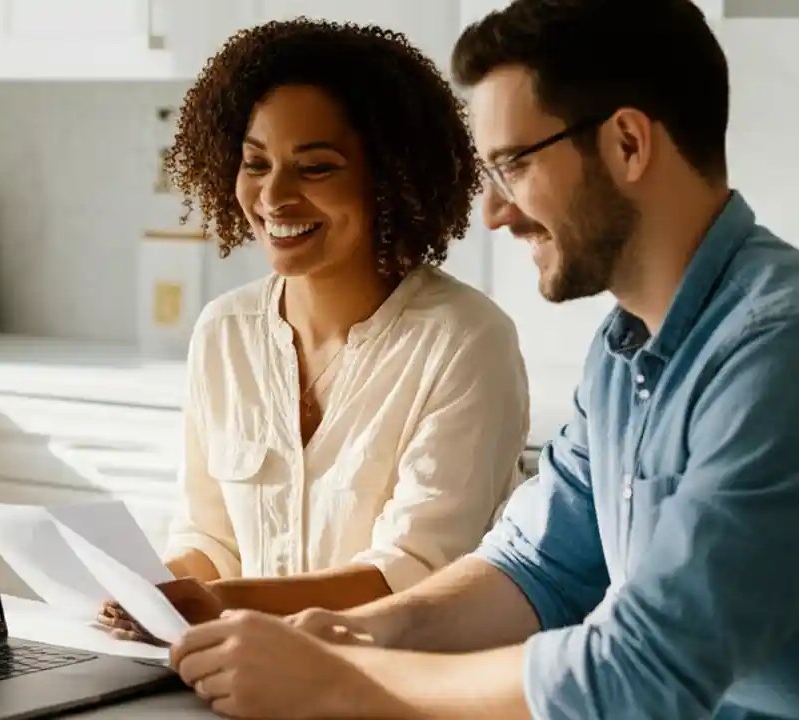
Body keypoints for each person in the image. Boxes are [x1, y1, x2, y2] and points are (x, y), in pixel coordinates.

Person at [164, 0, 799, 718]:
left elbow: (640, 669)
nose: (495, 213)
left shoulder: (776, 350)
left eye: (515, 166)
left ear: (627, 144)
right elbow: (536, 568)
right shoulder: (623, 355)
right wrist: (352, 633)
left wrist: (347, 682)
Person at [99, 18, 530, 639]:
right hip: (249, 683)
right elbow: (209, 539)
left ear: (389, 178)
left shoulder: (465, 339)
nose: (274, 196)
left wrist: (217, 602)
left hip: (396, 690)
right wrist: (155, 595)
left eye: (316, 168)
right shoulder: (225, 333)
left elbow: (412, 574)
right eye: (256, 163)